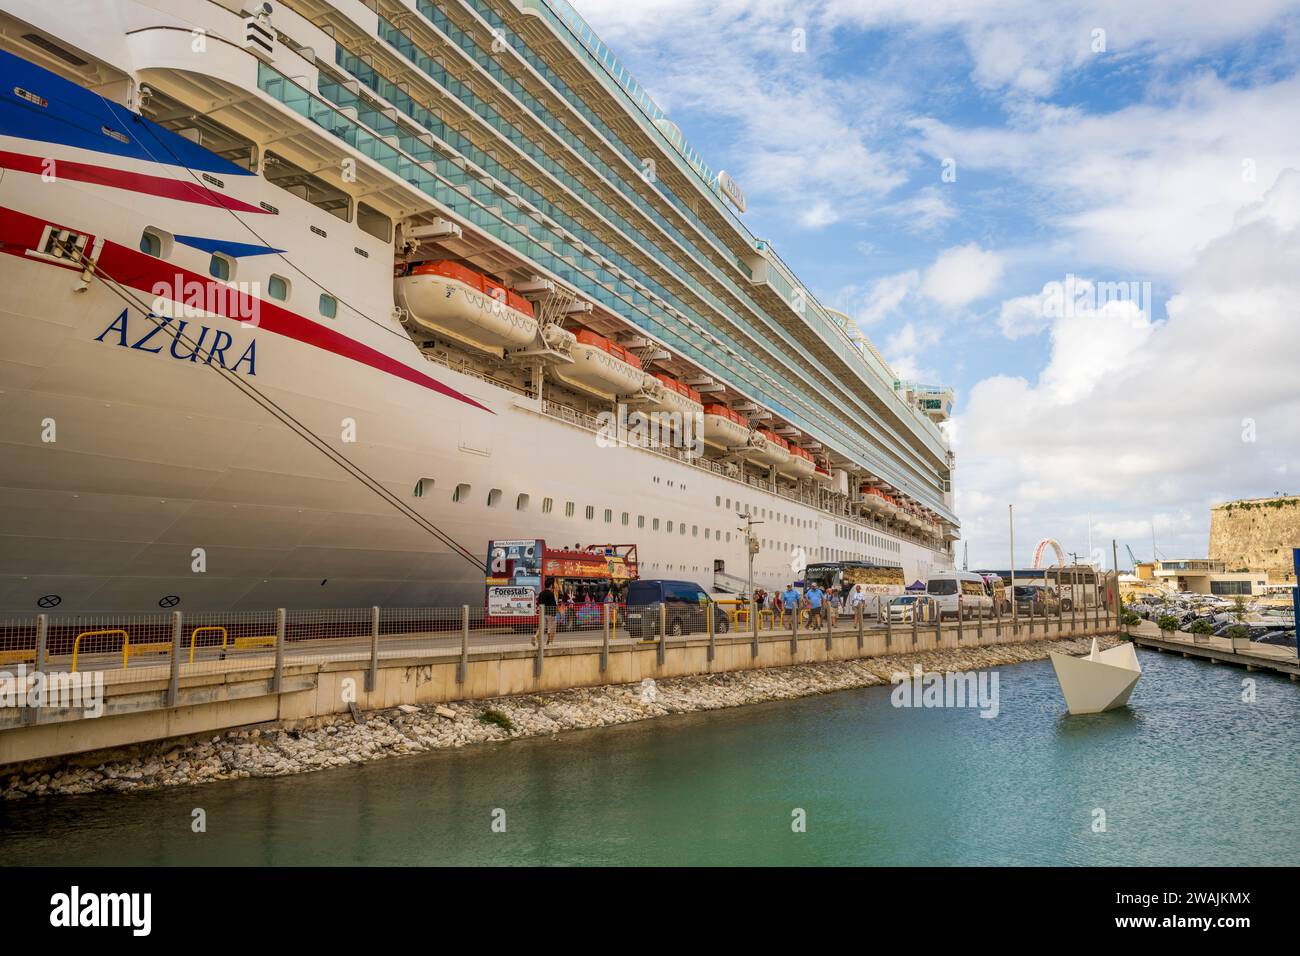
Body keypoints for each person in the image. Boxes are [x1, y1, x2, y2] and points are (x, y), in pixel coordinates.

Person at [537, 579, 558, 644]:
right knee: (551, 628)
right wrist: (554, 613)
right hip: (550, 614)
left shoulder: (541, 593)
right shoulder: (551, 594)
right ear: (551, 586)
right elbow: (553, 605)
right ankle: (550, 641)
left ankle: (535, 637)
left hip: (542, 613)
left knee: (541, 627)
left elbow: (539, 603)